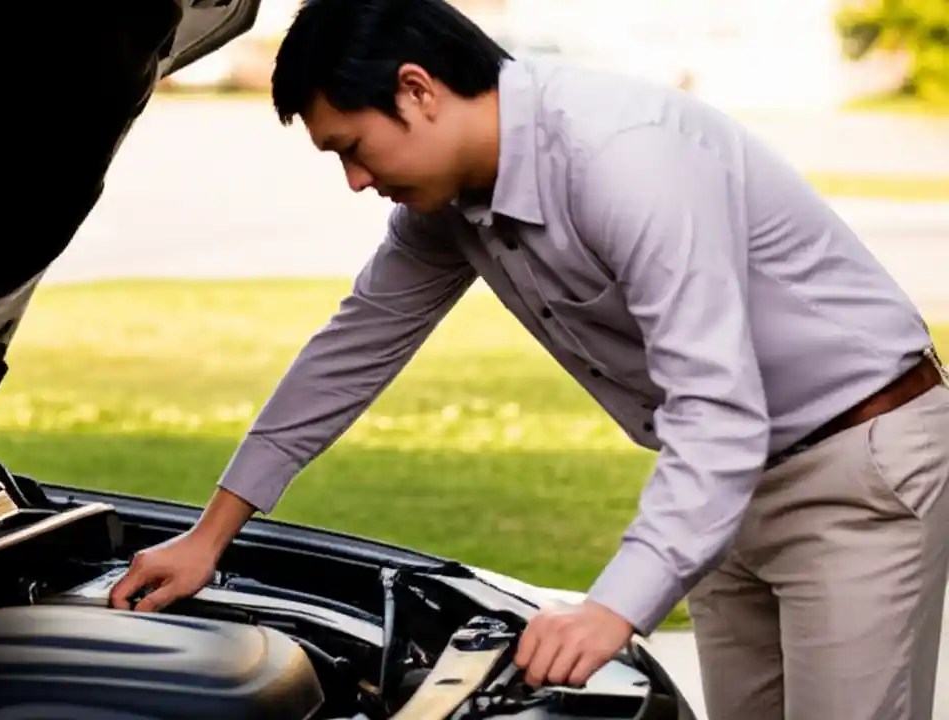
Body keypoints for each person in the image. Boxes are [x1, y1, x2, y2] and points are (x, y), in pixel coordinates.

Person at [109, 0, 949, 716]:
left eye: (352, 147)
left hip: (855, 468)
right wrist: (209, 536)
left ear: (417, 89)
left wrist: (611, 609)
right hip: (717, 487)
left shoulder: (624, 156)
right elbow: (350, 352)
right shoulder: (448, 203)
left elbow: (717, 407)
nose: (356, 182)